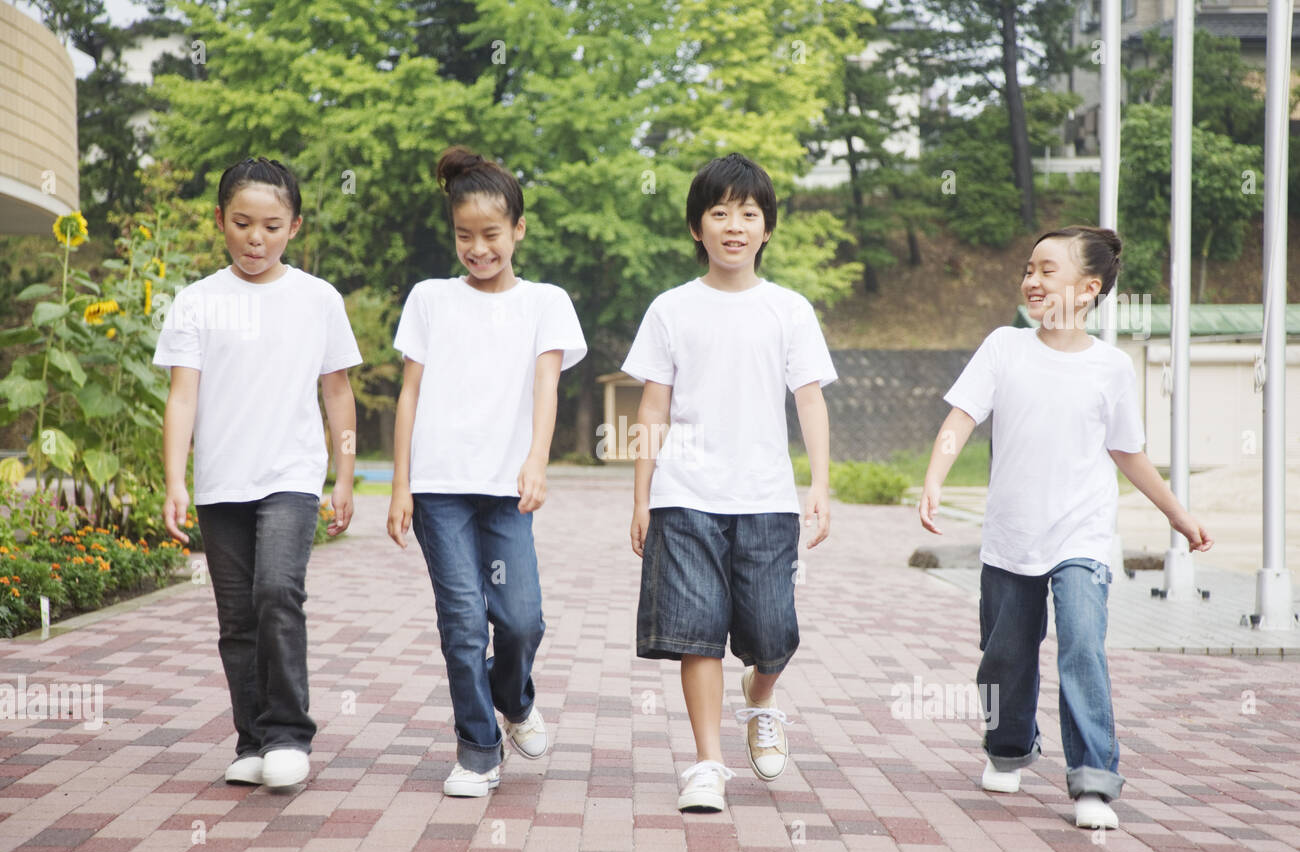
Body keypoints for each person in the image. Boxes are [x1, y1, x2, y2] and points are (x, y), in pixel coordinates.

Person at [918, 225, 1213, 830]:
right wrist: (935, 477)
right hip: (1011, 535)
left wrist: (1176, 513)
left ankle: (1093, 780)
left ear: (1088, 289)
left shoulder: (1110, 368)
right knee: (1005, 655)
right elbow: (962, 417)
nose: (1031, 279)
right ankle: (1008, 747)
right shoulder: (1004, 347)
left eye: (1047, 270)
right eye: (1029, 269)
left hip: (1082, 535)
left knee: (1082, 645)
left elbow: (1127, 452)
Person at [624, 152, 835, 814]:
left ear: (766, 228)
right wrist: (641, 495)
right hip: (684, 496)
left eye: (748, 213)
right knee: (697, 630)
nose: (734, 225)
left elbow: (810, 401)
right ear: (697, 227)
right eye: (719, 212)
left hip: (766, 500)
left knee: (775, 633)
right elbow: (653, 407)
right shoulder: (670, 309)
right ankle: (707, 764)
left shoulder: (789, 310)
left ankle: (762, 699)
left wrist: (820, 485)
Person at [387, 147, 586, 798]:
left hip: (506, 490)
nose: (477, 249)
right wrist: (399, 484)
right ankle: (477, 748)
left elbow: (546, 389)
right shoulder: (430, 299)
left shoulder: (546, 303)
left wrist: (537, 460)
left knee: (522, 620)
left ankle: (517, 699)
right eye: (464, 236)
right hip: (438, 488)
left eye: (491, 235)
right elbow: (409, 394)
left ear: (518, 231)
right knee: (464, 621)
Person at [157, 156, 361, 789]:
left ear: (294, 226)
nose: (256, 238)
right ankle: (251, 740)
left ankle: (289, 734)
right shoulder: (196, 302)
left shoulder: (317, 299)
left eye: (271, 226)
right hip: (222, 482)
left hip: (291, 477)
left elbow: (338, 394)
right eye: (242, 223)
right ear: (221, 220)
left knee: (278, 592)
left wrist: (345, 476)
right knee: (236, 617)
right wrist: (175, 480)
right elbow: (182, 395)